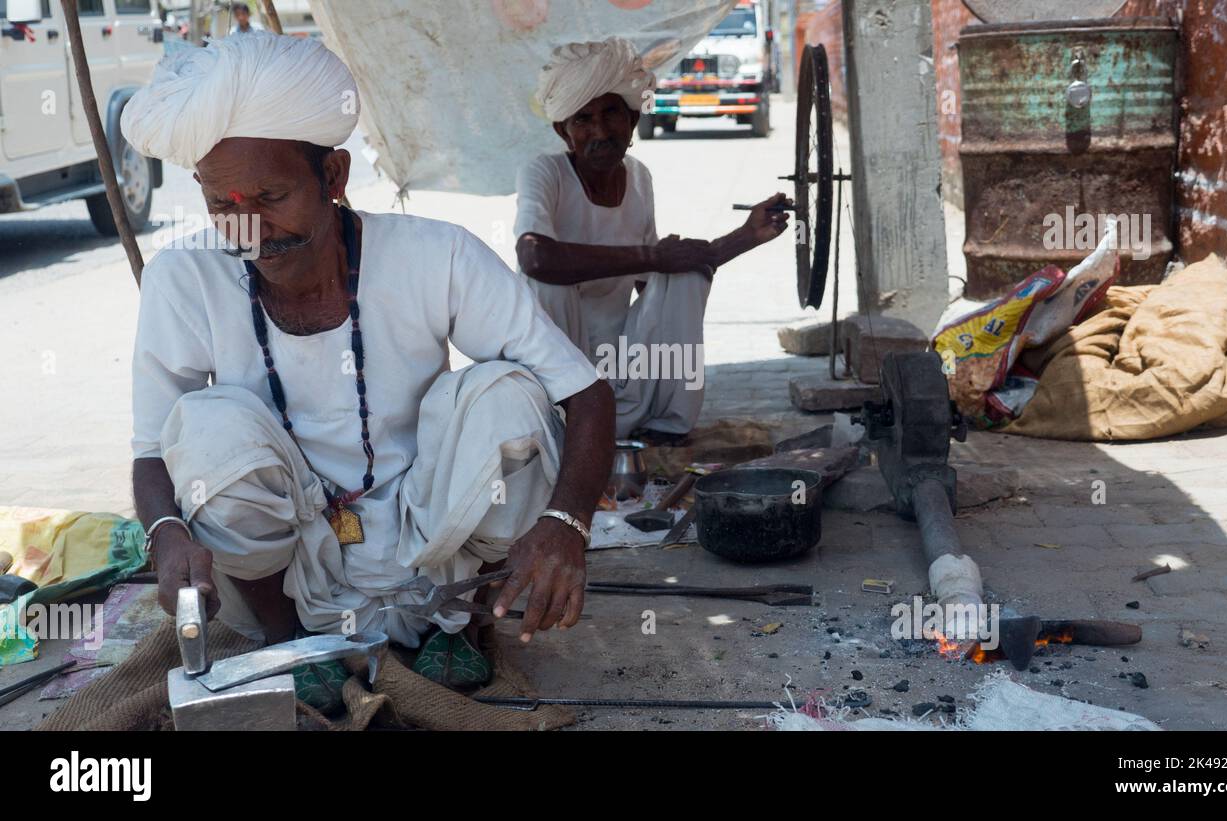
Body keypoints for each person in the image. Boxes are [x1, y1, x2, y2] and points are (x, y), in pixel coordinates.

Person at [121, 33, 614, 699]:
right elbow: (154, 450)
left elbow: (585, 393)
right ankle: (290, 642)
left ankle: (460, 630)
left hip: (439, 554)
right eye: (222, 205)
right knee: (203, 426)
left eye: (269, 196)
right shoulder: (184, 279)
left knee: (511, 395)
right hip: (290, 564)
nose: (248, 228)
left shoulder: (436, 254)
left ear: (334, 177)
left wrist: (567, 525)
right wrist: (168, 535)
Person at [515, 37, 790, 443]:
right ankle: (565, 416)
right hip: (554, 374)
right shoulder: (545, 173)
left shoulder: (639, 177)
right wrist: (654, 256)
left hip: (620, 367)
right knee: (544, 278)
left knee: (685, 278)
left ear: (631, 120)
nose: (600, 131)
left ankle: (666, 424)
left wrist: (746, 236)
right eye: (583, 120)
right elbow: (535, 258)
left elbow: (655, 282)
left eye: (611, 115)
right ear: (564, 131)